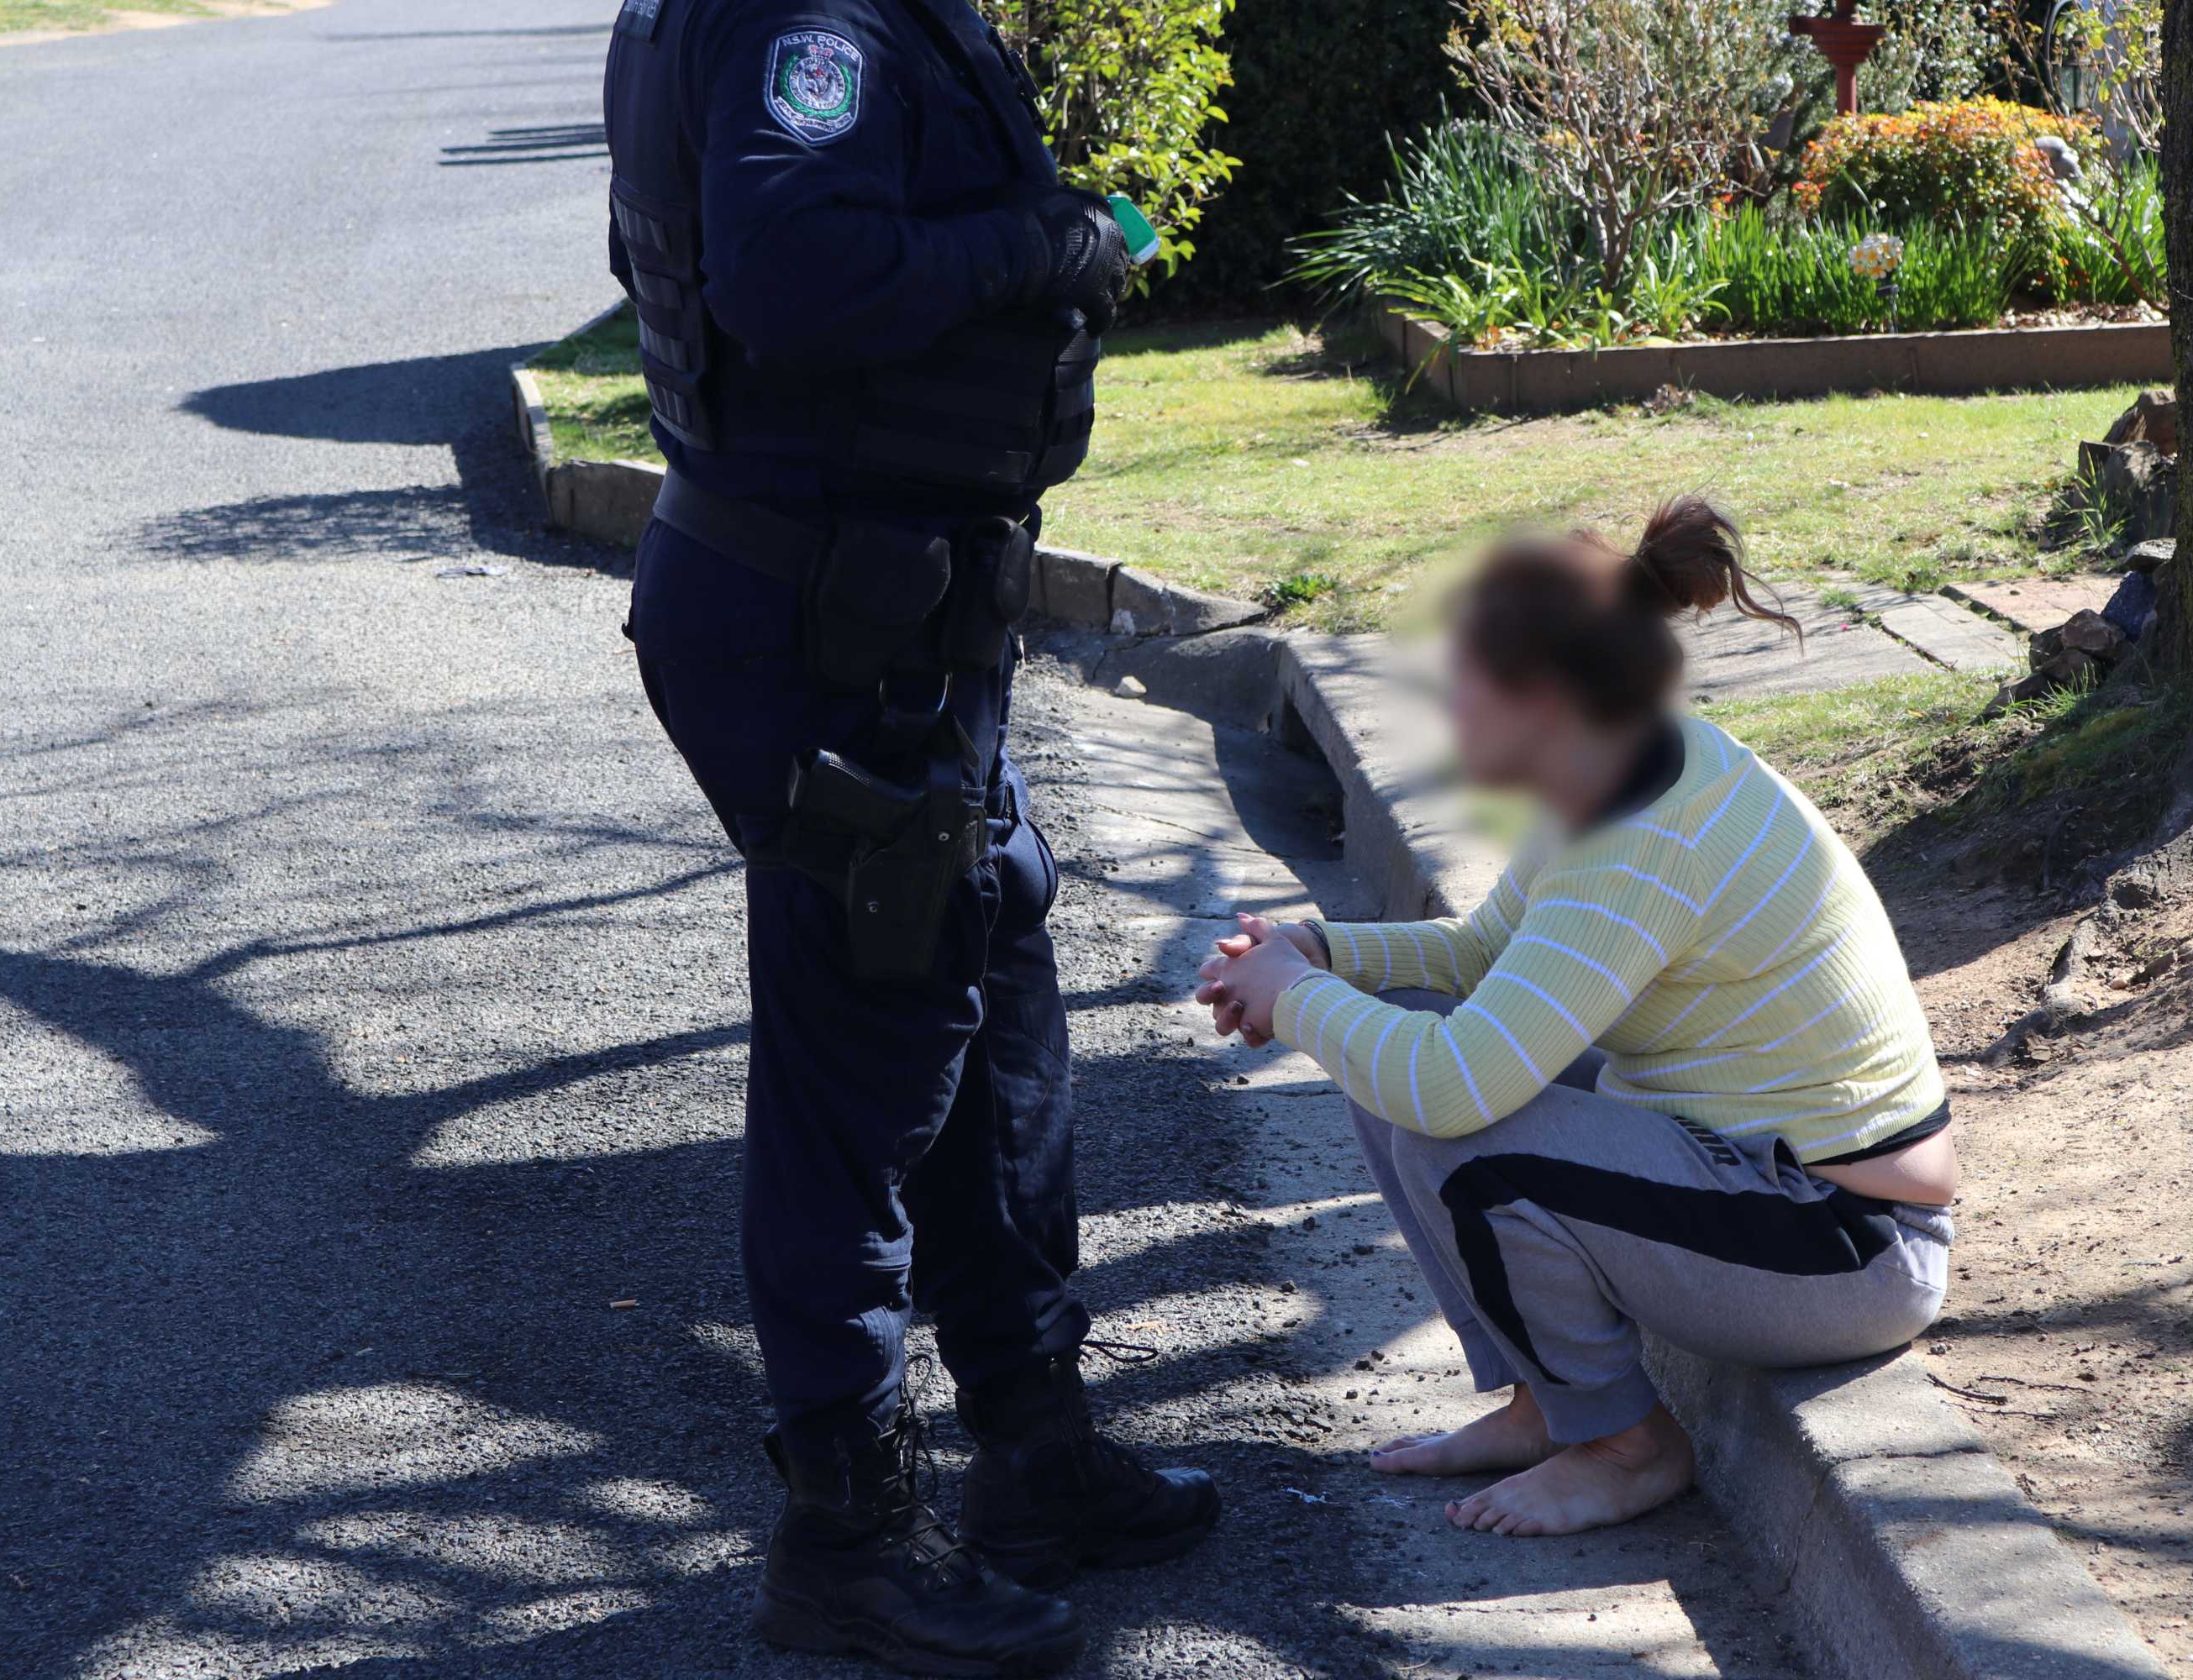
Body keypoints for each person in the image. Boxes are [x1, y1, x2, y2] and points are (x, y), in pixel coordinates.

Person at [604, 0, 1217, 1671]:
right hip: (828, 628)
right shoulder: (813, 16)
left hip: (897, 620)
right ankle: (848, 1543)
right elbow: (791, 275)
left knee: (992, 993)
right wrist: (1047, 241)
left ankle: (1033, 1446)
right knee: (857, 1080)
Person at [1196, 499, 1956, 1539]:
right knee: (1405, 1031)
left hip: (1848, 1242)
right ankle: (1545, 1406)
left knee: (1461, 1130)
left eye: (1464, 683)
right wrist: (1324, 953)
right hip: (1759, 1181)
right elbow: (1478, 957)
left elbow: (1453, 1085)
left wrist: (1298, 1001)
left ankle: (1625, 1445)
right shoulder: (1625, 769)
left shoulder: (1641, 839)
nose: (1443, 707)